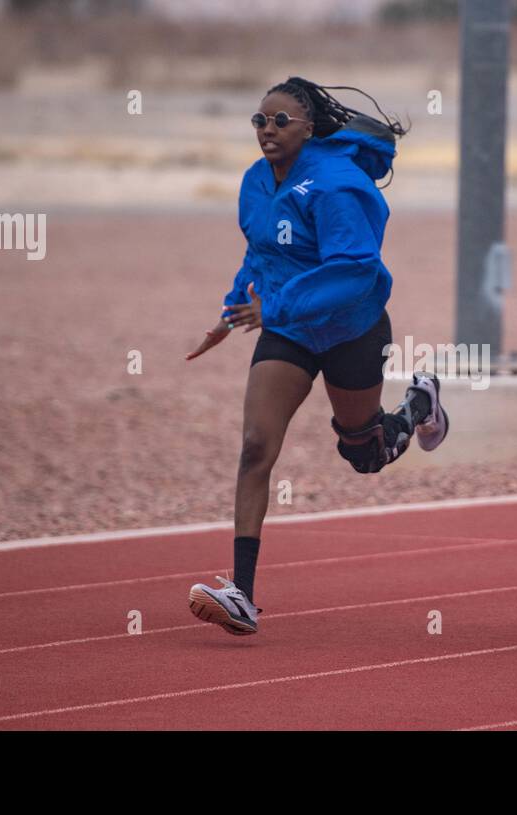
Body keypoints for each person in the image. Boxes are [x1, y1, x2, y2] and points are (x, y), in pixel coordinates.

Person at [183, 77, 450, 636]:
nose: (267, 132)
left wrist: (274, 308)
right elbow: (260, 254)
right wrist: (233, 312)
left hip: (352, 327)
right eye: (259, 121)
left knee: (365, 455)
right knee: (256, 444)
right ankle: (242, 595)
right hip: (287, 329)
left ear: (308, 128)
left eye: (280, 122)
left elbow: (353, 271)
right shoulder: (256, 181)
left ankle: (419, 404)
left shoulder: (338, 185)